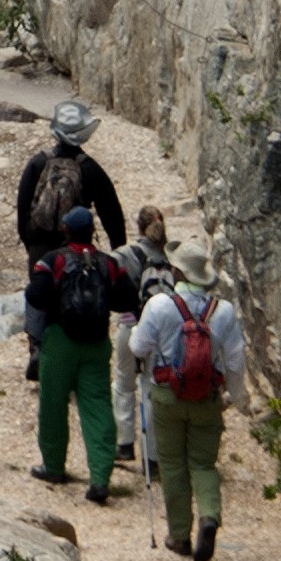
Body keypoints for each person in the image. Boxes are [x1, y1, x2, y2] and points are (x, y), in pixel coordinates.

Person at [126, 239, 244, 561]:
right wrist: (236, 397)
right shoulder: (223, 311)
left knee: (173, 464)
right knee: (203, 463)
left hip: (167, 396)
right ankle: (209, 515)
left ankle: (179, 535)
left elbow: (137, 346)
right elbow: (235, 360)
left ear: (177, 270)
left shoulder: (161, 306)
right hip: (206, 397)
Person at [23, 204, 123, 501]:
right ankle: (100, 476)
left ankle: (53, 466)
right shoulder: (108, 263)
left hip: (60, 341)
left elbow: (34, 295)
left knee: (53, 404)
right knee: (98, 406)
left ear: (65, 230)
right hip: (96, 343)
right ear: (92, 232)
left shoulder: (52, 261)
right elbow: (126, 298)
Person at [14, 101, 131, 263]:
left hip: (40, 250)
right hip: (76, 251)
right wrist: (118, 251)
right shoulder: (90, 169)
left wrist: (31, 244)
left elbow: (22, 207)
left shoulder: (37, 163)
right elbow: (111, 213)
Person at [116, 204, 173, 479]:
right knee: (151, 388)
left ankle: (124, 443)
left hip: (129, 324)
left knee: (124, 382)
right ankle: (152, 458)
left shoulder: (127, 254)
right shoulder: (171, 258)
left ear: (138, 227)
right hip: (160, 332)